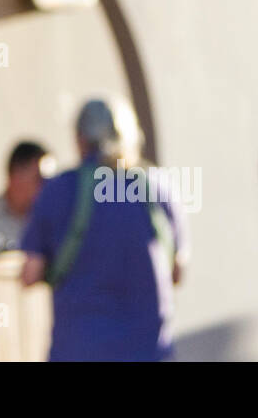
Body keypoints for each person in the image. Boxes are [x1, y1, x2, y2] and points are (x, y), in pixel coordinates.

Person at [20, 98, 188, 361]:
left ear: (80, 140)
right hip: (149, 352)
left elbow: (31, 272)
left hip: (78, 351)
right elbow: (178, 271)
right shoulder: (158, 186)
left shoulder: (58, 190)